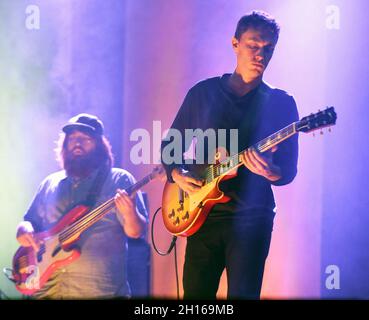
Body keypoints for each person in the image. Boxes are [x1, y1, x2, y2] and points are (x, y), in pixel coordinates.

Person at [161, 11, 299, 299]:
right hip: (201, 215)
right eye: (253, 45)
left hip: (252, 217)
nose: (261, 54)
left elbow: (287, 171)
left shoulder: (281, 103)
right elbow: (170, 147)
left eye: (268, 48)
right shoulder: (204, 93)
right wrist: (178, 174)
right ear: (235, 44)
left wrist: (269, 170)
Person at [15, 113, 148, 299]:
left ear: (100, 146)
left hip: (98, 292)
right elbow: (29, 222)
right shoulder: (49, 183)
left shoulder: (119, 180)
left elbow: (136, 232)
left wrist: (130, 211)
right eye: (72, 138)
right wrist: (24, 231)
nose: (77, 143)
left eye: (86, 138)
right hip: (47, 291)